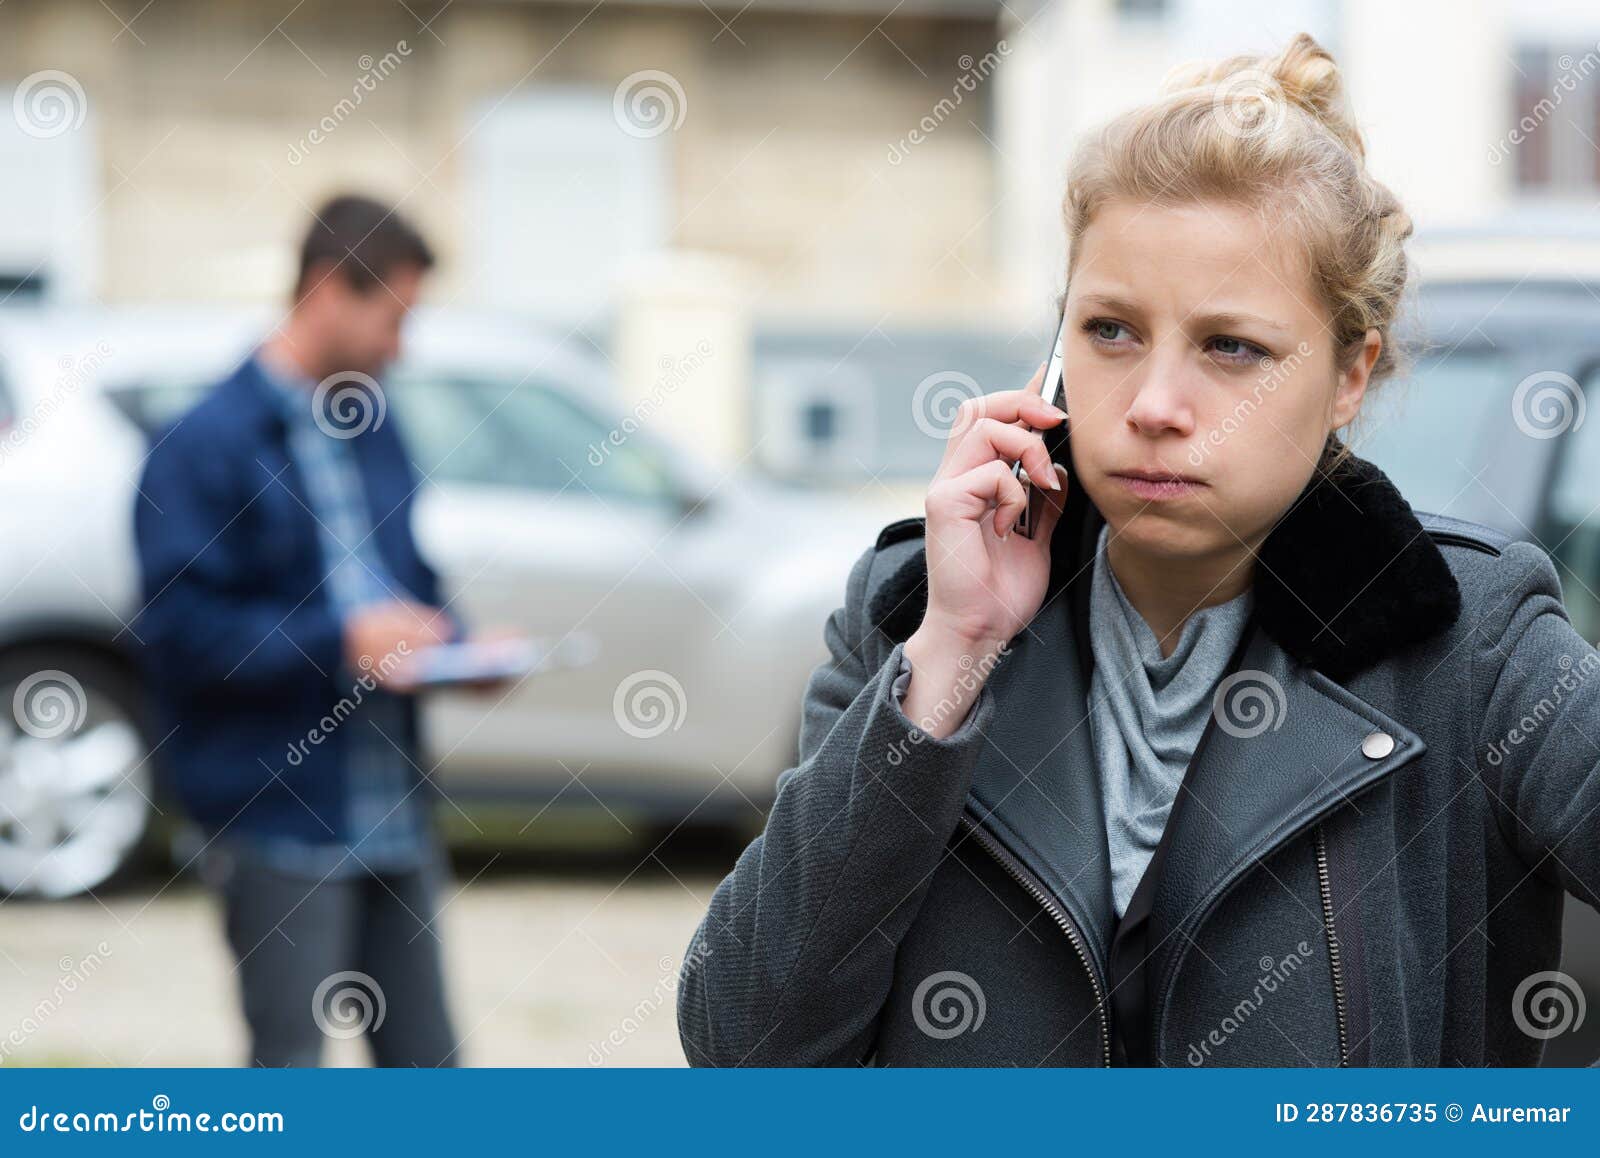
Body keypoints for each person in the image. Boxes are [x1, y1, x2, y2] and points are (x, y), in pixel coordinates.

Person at [677, 33, 1600, 1066]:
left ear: (1351, 374)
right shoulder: (912, 612)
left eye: (1230, 347)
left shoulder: (1464, 638)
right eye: (1110, 332)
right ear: (1052, 348)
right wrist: (951, 657)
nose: (1156, 406)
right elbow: (742, 1043)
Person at [135, 194, 463, 1067]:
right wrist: (337, 642)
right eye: (393, 316)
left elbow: (411, 581)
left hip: (394, 803)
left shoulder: (375, 426)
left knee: (432, 1072)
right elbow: (181, 634)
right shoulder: (201, 446)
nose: (403, 345)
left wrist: (457, 646)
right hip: (278, 814)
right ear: (327, 289)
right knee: (288, 1079)